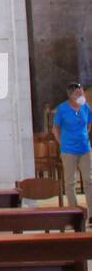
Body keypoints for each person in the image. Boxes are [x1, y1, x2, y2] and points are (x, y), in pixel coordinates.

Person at [52, 83, 92, 221]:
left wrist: (84, 135)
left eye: (81, 92)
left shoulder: (85, 106)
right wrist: (62, 142)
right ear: (71, 95)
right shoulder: (62, 109)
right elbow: (55, 128)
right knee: (70, 182)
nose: (81, 95)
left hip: (85, 149)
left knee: (89, 180)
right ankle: (75, 215)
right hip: (69, 150)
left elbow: (89, 123)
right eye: (78, 93)